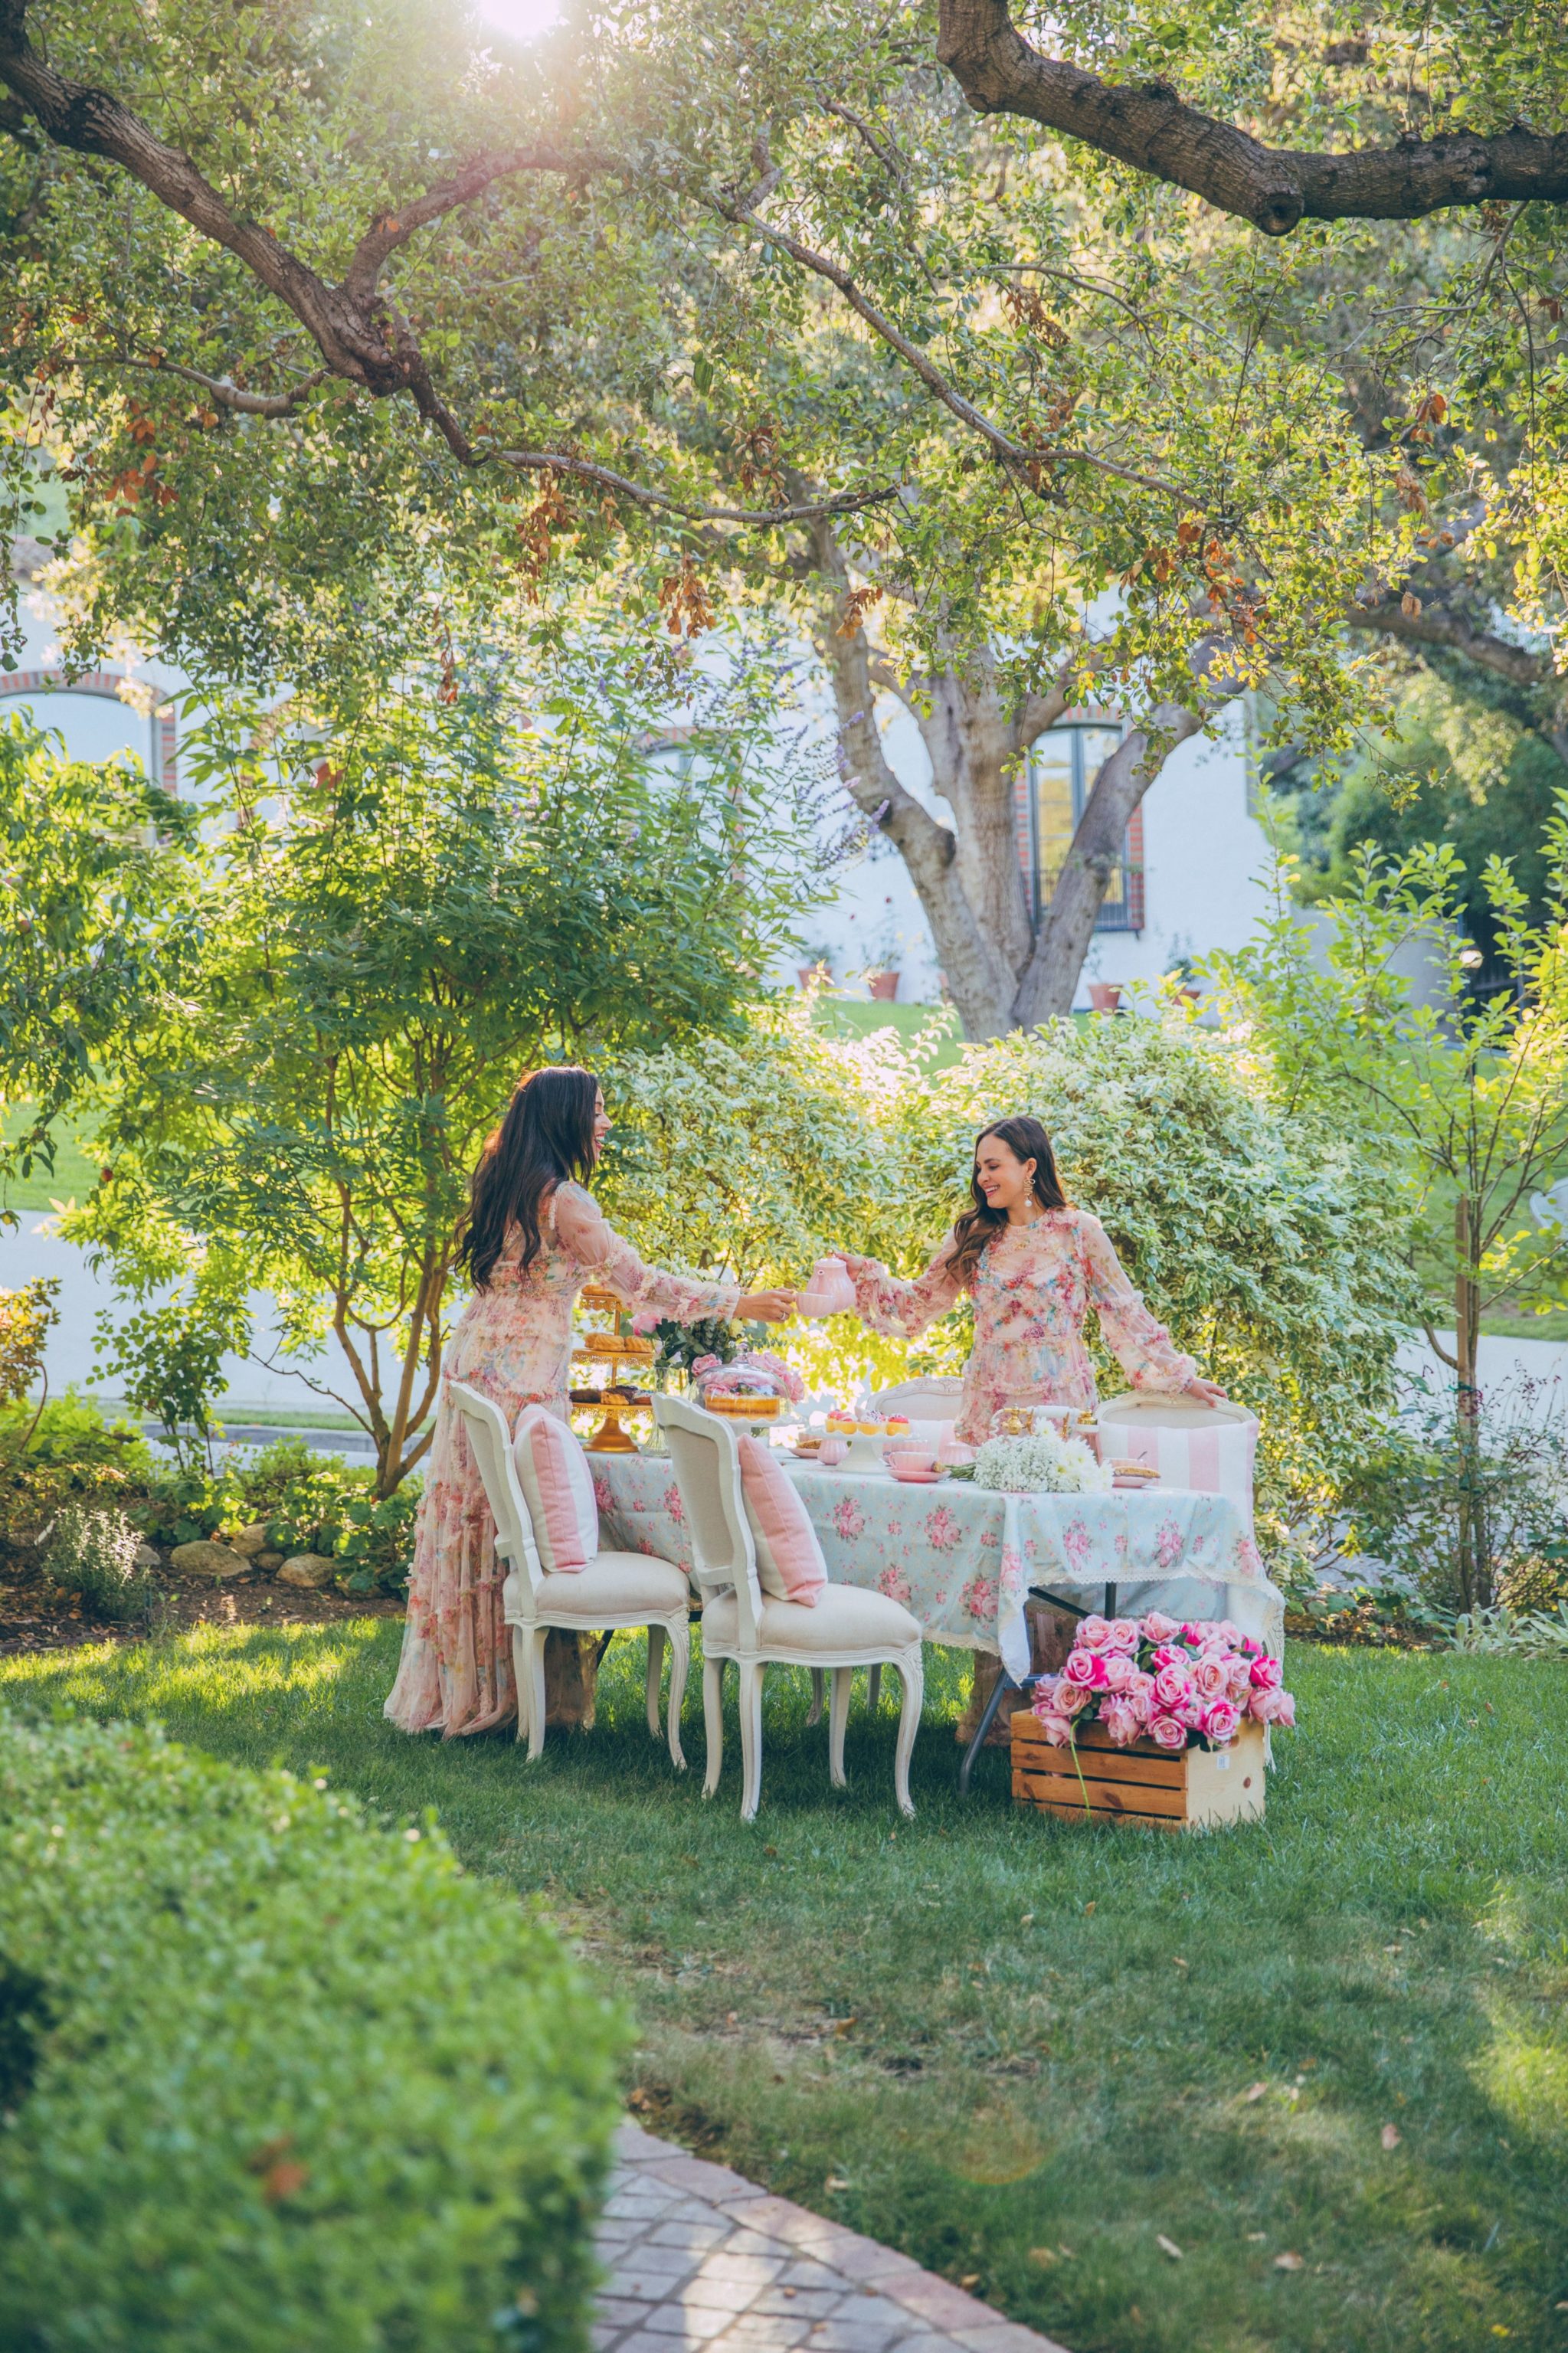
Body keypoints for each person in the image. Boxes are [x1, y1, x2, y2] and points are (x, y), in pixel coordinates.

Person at [385, 1065, 794, 1738]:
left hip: (477, 1360)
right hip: (522, 1376)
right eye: (597, 1110)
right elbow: (642, 1282)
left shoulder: (505, 1182)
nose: (604, 1122)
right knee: (527, 1529)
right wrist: (739, 1302)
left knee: (486, 1526)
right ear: (565, 1116)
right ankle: (520, 1698)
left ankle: (476, 1689)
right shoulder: (566, 1200)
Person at [840, 1113, 1225, 1445]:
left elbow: (1125, 1313)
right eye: (979, 1168)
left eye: (993, 1166)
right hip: (988, 1407)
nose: (983, 1177)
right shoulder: (972, 1236)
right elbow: (918, 1303)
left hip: (1061, 1406)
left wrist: (1182, 1378)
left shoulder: (1079, 1232)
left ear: (1029, 1167)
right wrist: (866, 1274)